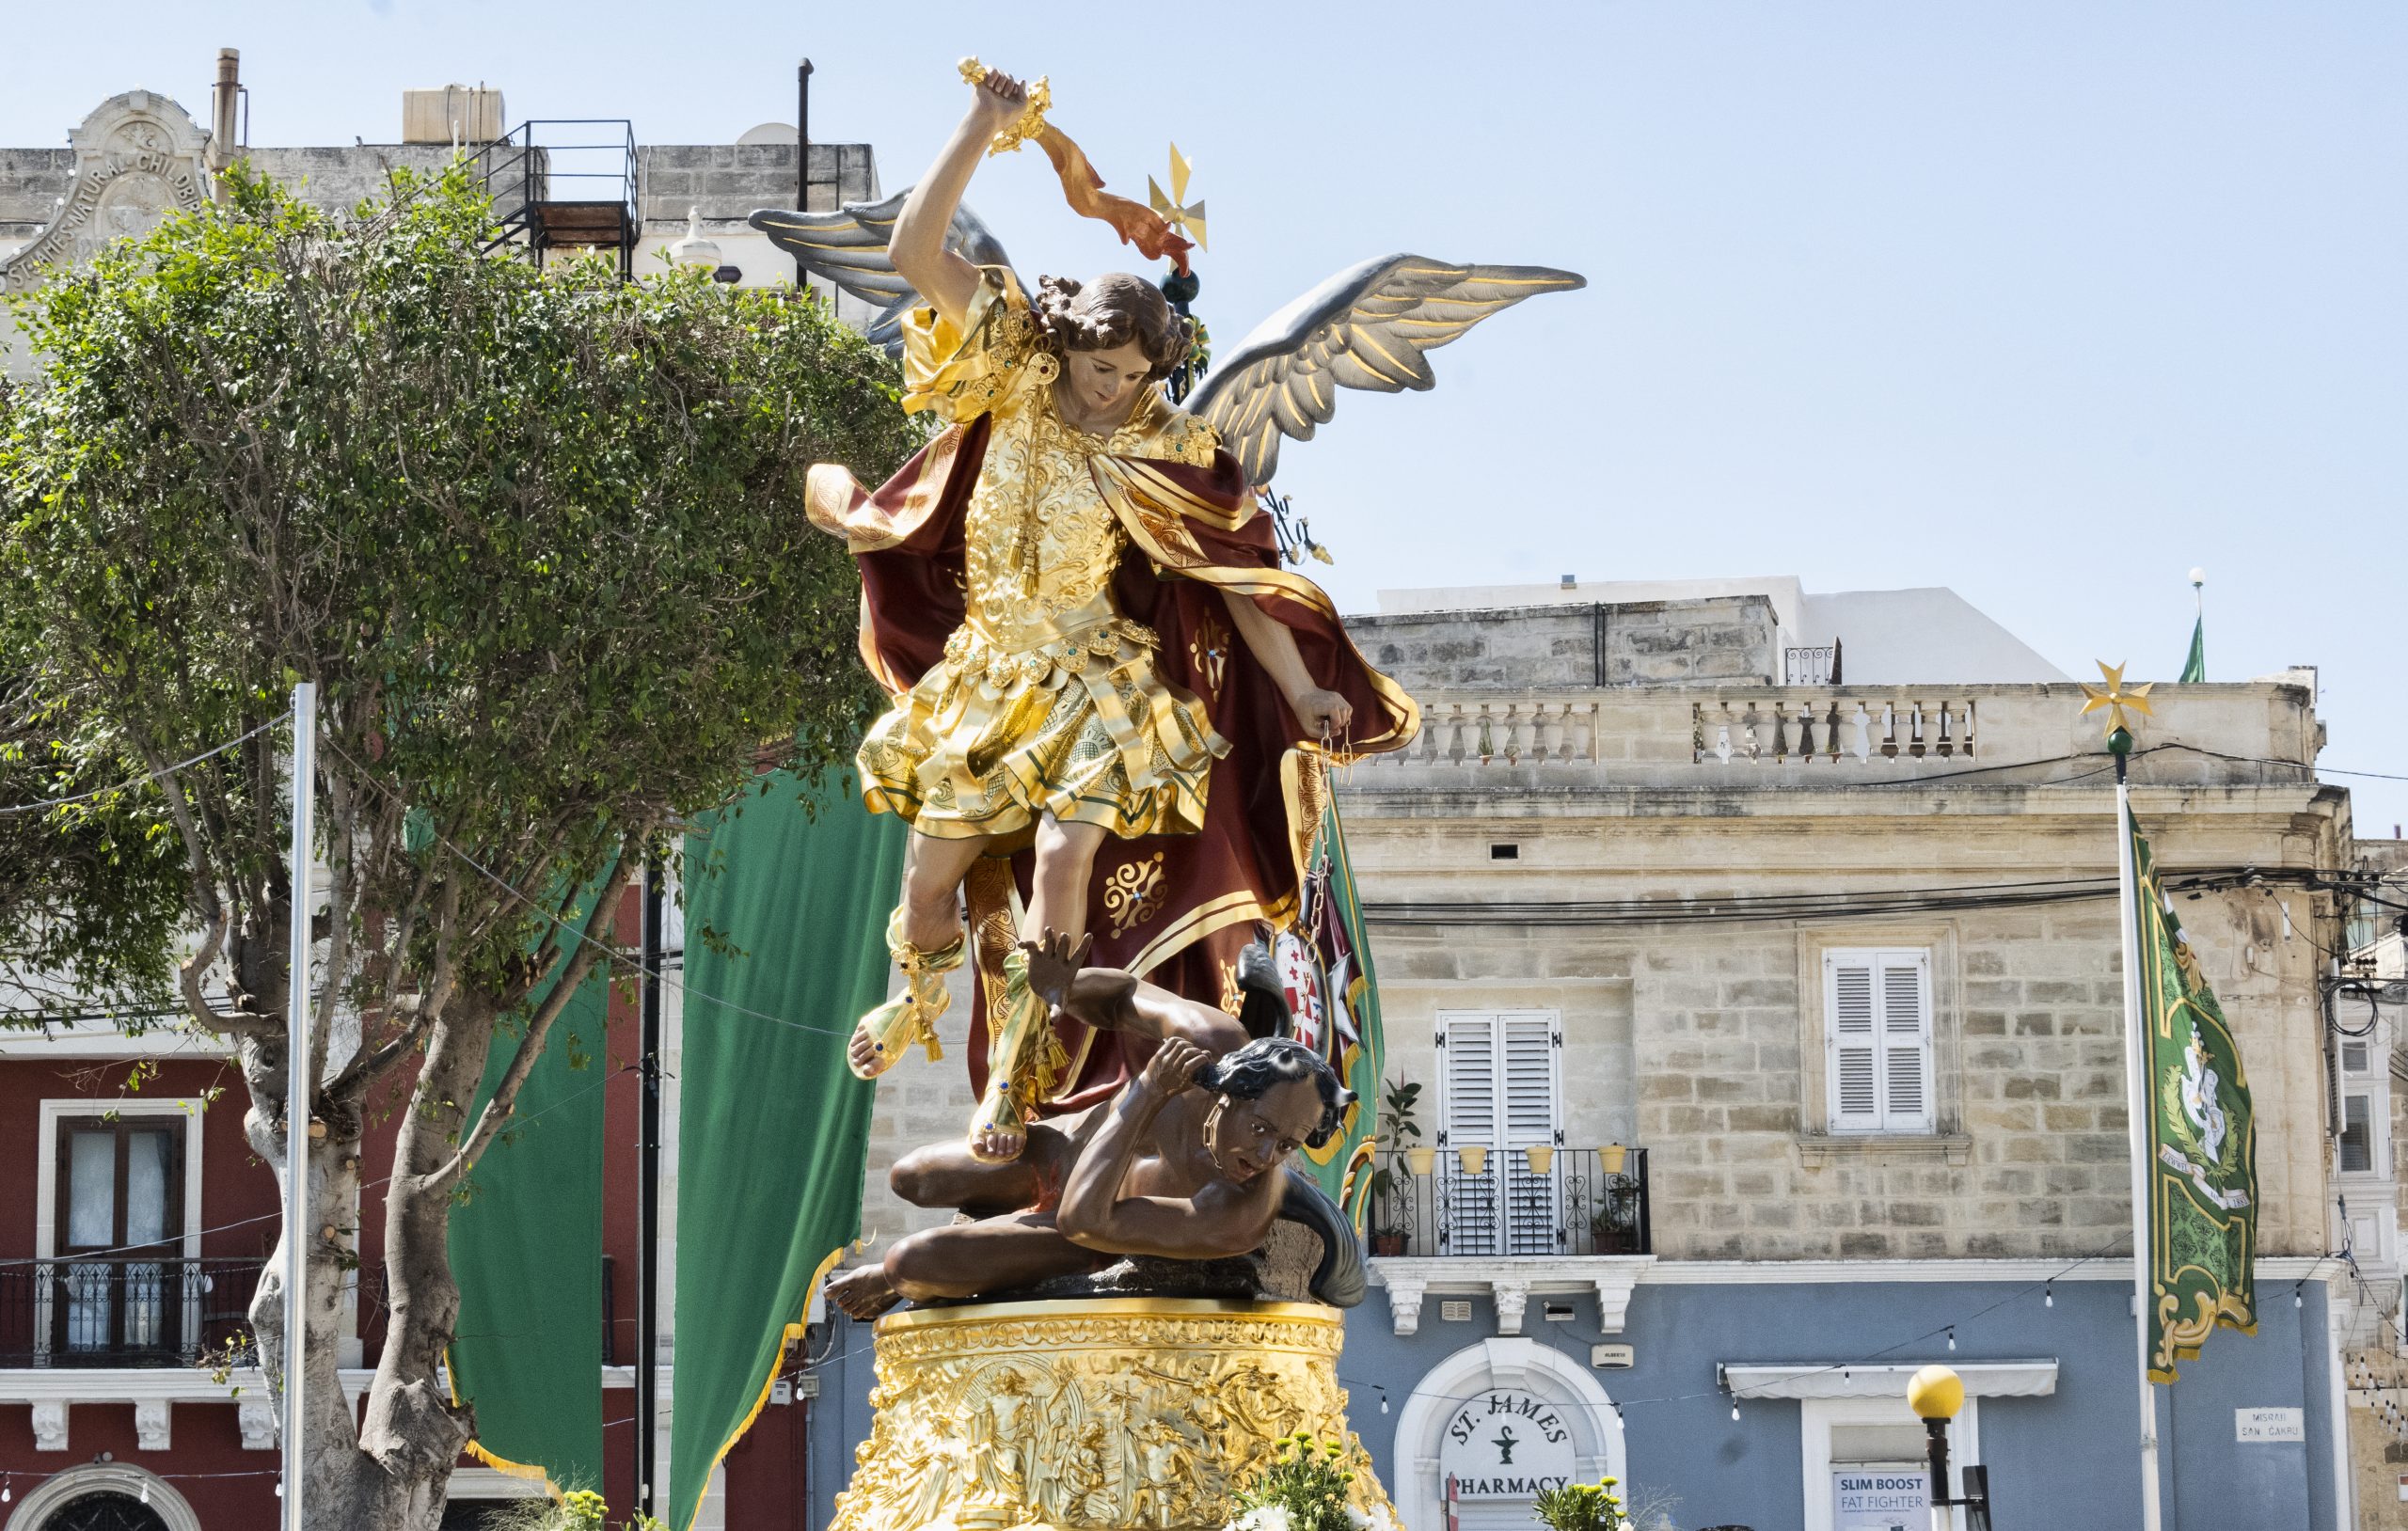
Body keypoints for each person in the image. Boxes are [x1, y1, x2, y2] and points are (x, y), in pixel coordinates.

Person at [810, 67, 1416, 1163]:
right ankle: (915, 994)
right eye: (1100, 367)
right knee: (931, 882)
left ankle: (1021, 1082)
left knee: (1061, 864)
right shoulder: (1006, 363)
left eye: (1136, 374)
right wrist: (981, 127)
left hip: (1099, 679)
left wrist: (1304, 686)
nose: (1114, 390)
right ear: (1066, 346)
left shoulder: (1160, 442)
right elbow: (910, 250)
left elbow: (1230, 575)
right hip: (989, 678)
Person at [825, 933, 1353, 1318]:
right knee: (909, 1177)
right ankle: (982, 1232)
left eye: (1287, 1145)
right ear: (1230, 1091)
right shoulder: (1209, 1038)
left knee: (907, 1263)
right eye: (1261, 1129)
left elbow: (1082, 1220)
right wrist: (1066, 989)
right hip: (1058, 1152)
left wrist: (1147, 1090)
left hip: (1085, 1229)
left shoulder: (1239, 1213)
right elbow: (1124, 997)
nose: (1265, 1158)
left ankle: (913, 1278)